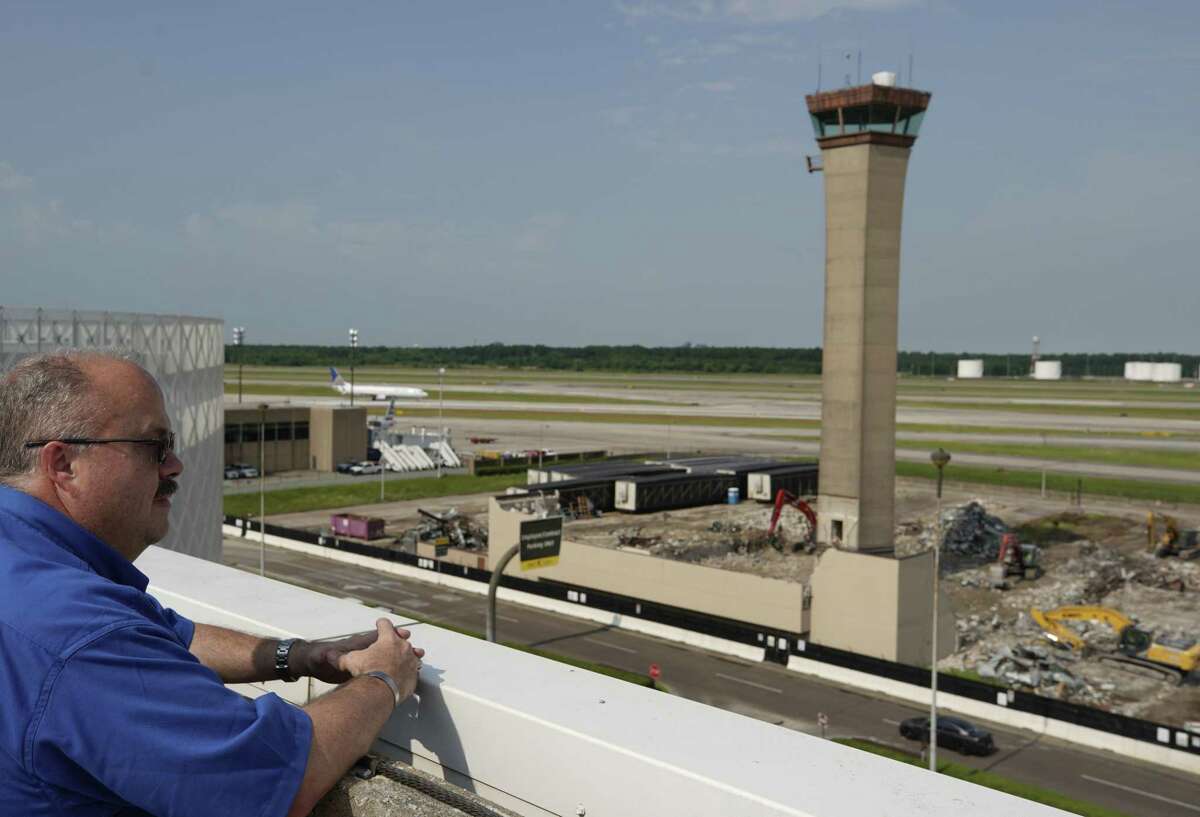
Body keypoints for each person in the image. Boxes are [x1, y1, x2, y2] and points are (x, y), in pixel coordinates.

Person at [0, 350, 425, 816]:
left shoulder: (28, 562)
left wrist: (299, 656)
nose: (175, 465)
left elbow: (162, 636)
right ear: (63, 464)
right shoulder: (79, 633)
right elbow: (276, 776)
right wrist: (385, 678)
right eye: (153, 447)